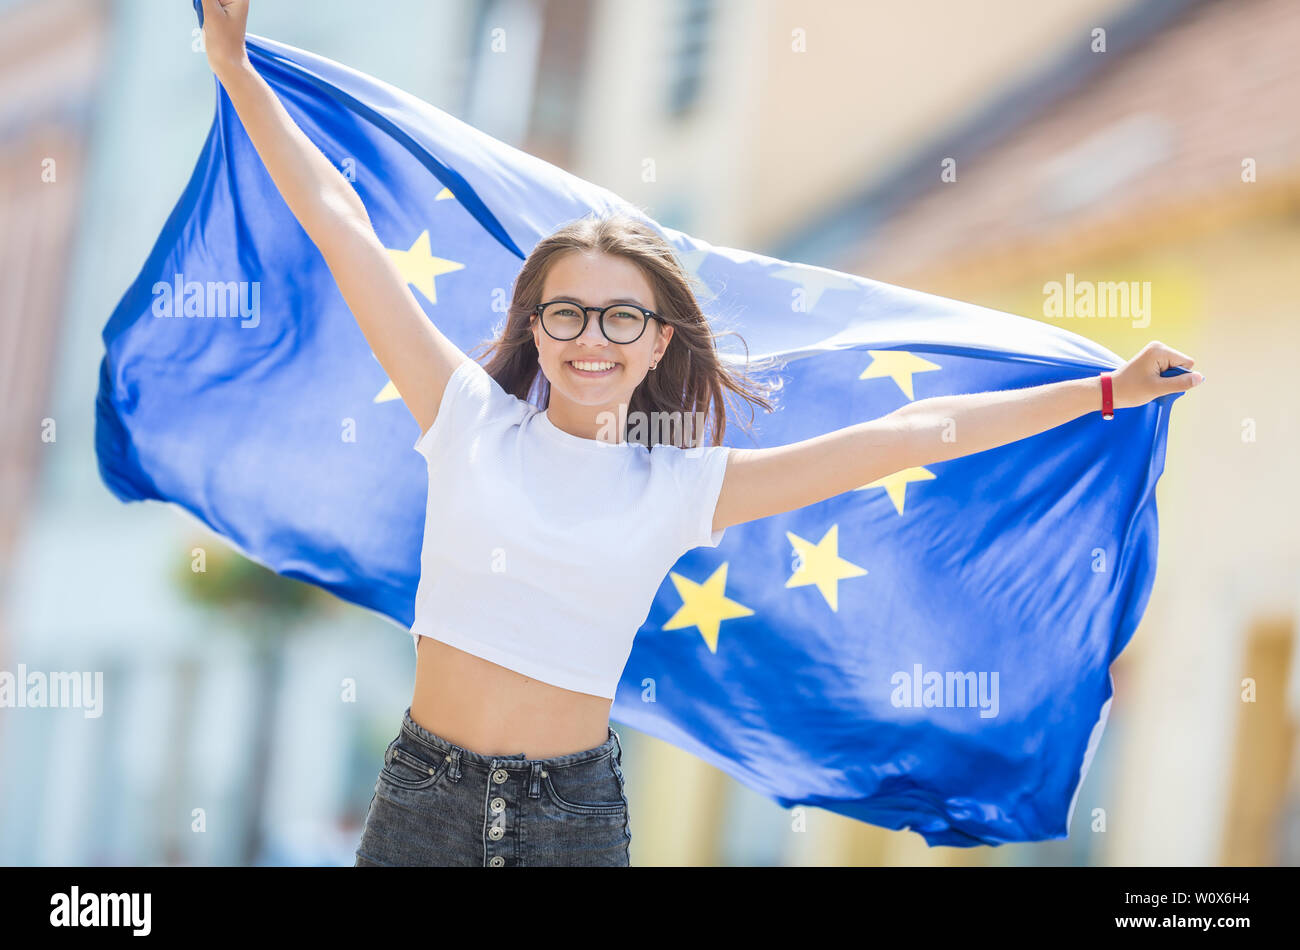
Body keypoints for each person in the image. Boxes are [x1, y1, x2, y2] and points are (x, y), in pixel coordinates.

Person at [199, 0, 1206, 867]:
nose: (592, 338)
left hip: (573, 815)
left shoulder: (680, 484)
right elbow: (340, 223)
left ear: (654, 346)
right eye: (567, 314)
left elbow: (914, 432)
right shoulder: (464, 416)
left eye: (621, 318)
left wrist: (1104, 394)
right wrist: (238, 73)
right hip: (426, 800)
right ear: (534, 332)